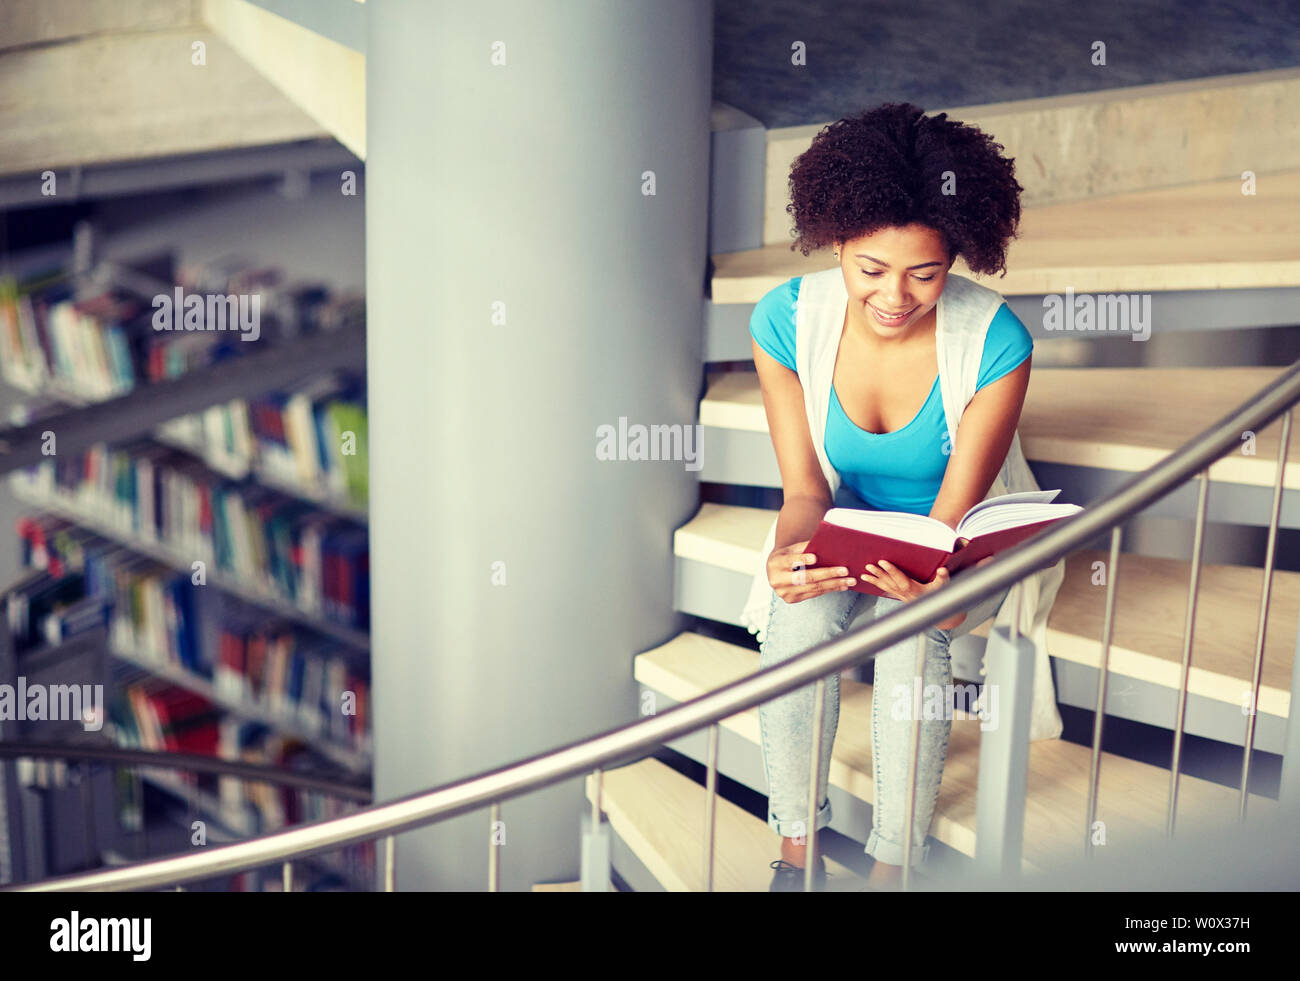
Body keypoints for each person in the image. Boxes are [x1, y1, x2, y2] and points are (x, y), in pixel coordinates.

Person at [746, 102, 1047, 891]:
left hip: (951, 539)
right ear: (836, 241)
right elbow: (806, 490)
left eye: (926, 273)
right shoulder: (785, 321)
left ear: (955, 259)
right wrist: (789, 555)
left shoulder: (993, 342)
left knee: (916, 637)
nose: (895, 296)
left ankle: (891, 870)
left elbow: (951, 528)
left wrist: (939, 598)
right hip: (850, 524)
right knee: (797, 616)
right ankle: (795, 855)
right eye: (871, 269)